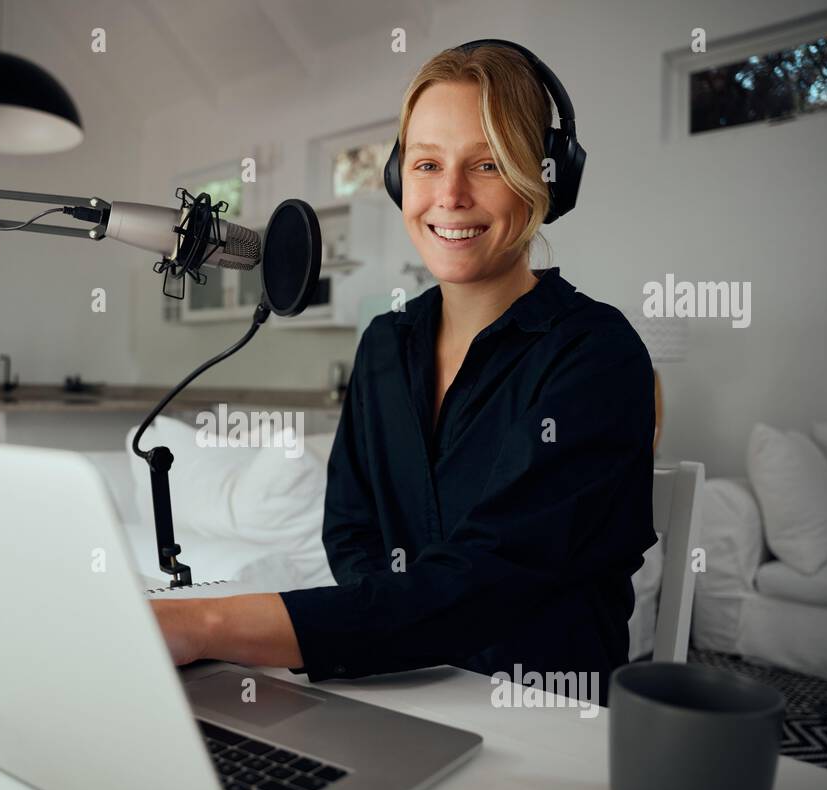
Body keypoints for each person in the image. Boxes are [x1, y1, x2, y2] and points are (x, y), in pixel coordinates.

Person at [149, 43, 656, 703]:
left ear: (546, 178)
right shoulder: (385, 343)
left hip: (545, 717)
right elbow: (350, 530)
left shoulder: (596, 354)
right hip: (401, 684)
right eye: (426, 163)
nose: (450, 195)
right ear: (396, 179)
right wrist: (393, 637)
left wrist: (209, 621)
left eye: (488, 163)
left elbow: (487, 579)